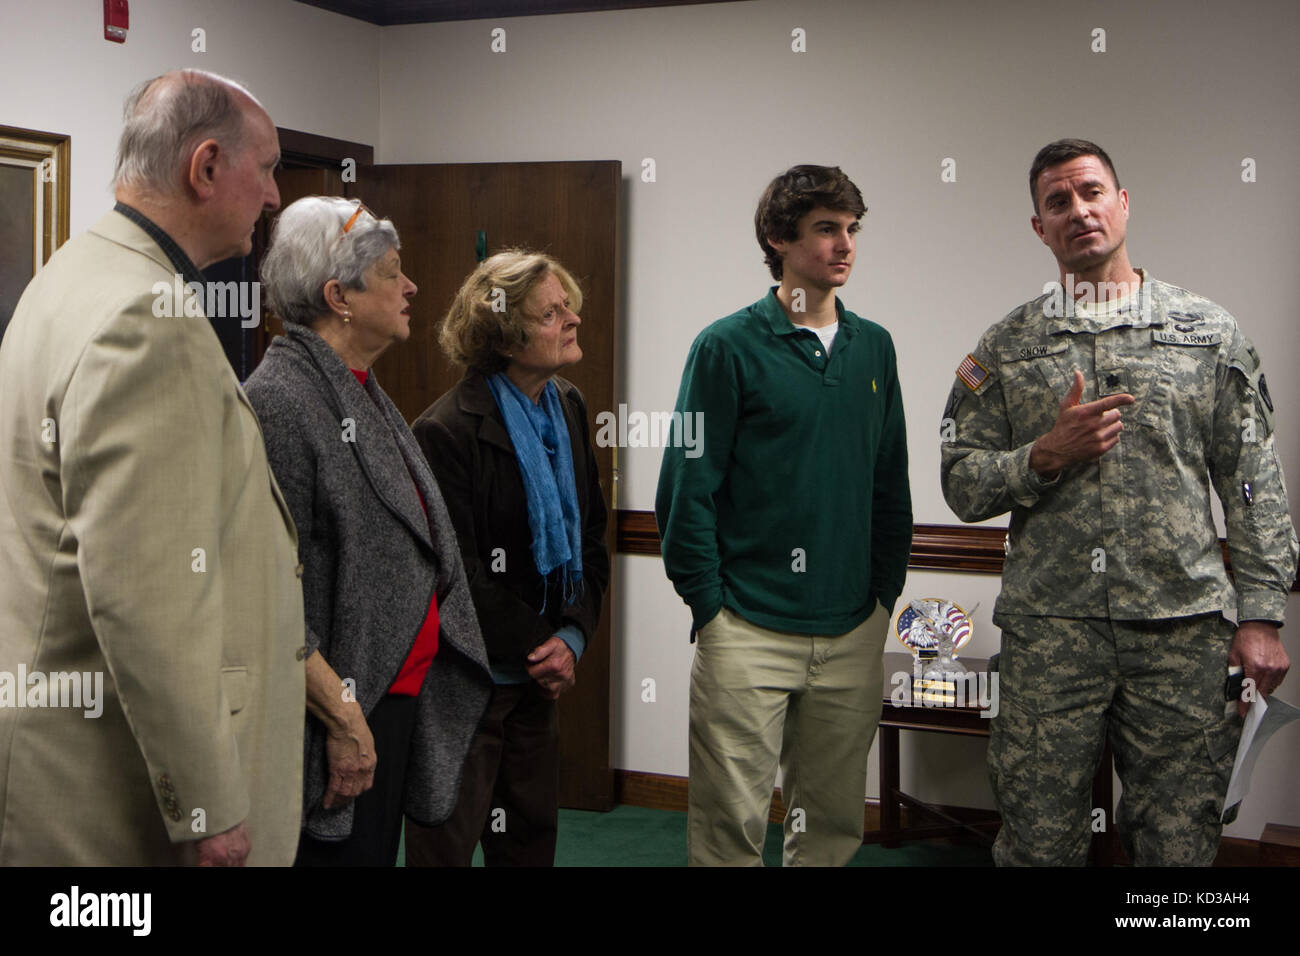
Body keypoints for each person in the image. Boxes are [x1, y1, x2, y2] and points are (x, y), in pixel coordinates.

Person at [940, 138, 1298, 866]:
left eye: (1092, 192)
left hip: (1181, 634)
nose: (1079, 211)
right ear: (1039, 228)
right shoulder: (1007, 348)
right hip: (1052, 636)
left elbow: (1253, 482)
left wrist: (1262, 616)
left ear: (1123, 203)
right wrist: (1043, 455)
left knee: (1178, 842)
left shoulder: (1208, 335)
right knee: (1038, 843)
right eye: (1058, 202)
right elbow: (960, 480)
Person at [0, 69, 304, 865]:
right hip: (114, 792)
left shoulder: (70, 277)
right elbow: (147, 592)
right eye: (266, 168)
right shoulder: (147, 318)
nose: (275, 197)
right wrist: (208, 801)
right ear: (205, 167)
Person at [655, 165, 913, 866]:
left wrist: (882, 599)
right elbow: (685, 488)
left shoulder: (875, 347)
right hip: (744, 626)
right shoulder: (725, 346)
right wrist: (710, 607)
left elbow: (891, 485)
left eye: (852, 228)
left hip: (852, 625)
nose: (845, 244)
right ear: (778, 239)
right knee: (728, 825)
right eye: (826, 228)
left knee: (830, 826)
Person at [244, 196, 492, 866]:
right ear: (339, 296)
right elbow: (265, 596)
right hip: (335, 714)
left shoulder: (358, 388)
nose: (411, 287)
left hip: (388, 700)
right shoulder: (279, 401)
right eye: (391, 273)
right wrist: (343, 715)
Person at [403, 250, 609, 867]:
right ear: (504, 332)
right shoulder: (445, 431)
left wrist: (572, 635)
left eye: (568, 303)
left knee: (527, 842)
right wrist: (544, 645)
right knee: (444, 846)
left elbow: (591, 537)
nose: (572, 319)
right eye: (552, 312)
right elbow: (457, 577)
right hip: (467, 683)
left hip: (537, 682)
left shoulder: (566, 404)